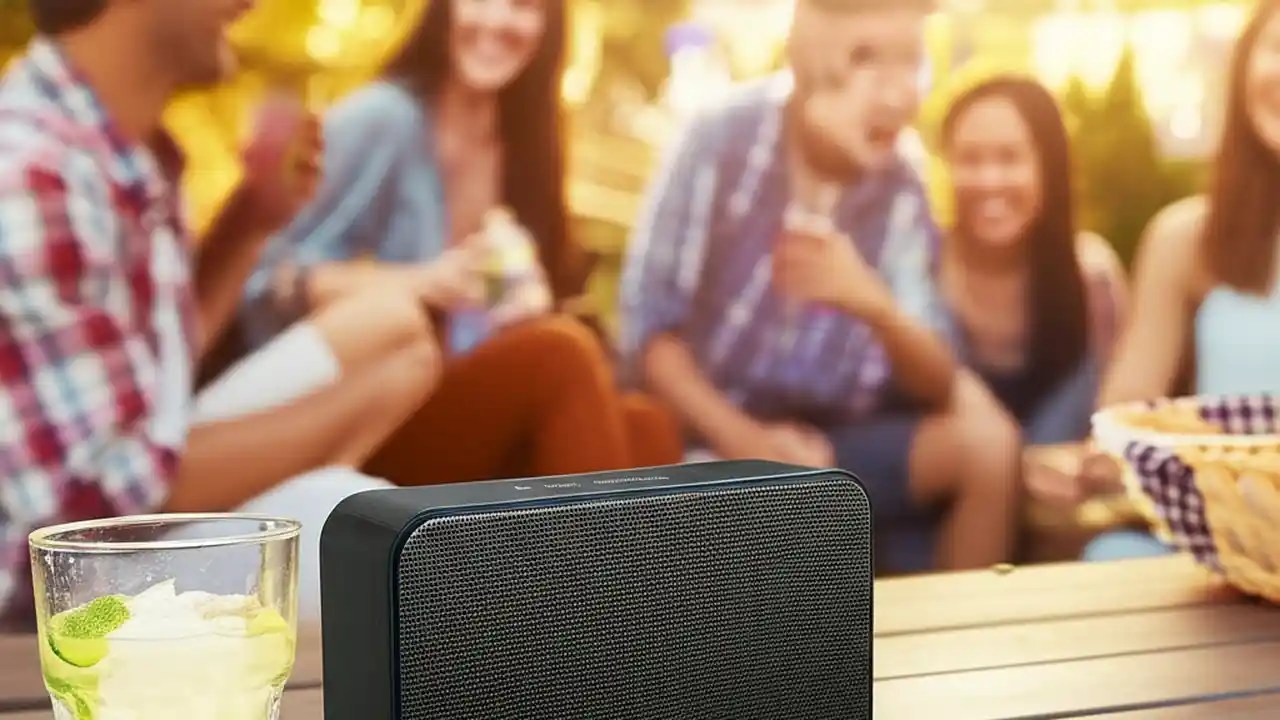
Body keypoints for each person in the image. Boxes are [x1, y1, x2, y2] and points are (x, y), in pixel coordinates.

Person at [0, 0, 445, 626]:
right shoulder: (33, 175)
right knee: (374, 540)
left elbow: (155, 385)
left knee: (396, 335)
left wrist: (252, 221)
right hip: (64, 591)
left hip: (127, 495)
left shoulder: (130, 152)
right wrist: (335, 421)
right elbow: (93, 518)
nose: (248, 4)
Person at [619, 0, 1022, 572]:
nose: (898, 92)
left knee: (986, 445)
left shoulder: (902, 182)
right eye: (865, 60)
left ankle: (958, 651)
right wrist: (751, 444)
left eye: (911, 62)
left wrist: (871, 302)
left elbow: (938, 378)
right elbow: (648, 332)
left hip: (836, 447)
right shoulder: (718, 142)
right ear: (808, 65)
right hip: (712, 441)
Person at [239, 0, 683, 484]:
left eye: (522, 5)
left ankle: (603, 560)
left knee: (647, 425)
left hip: (460, 403)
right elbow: (263, 279)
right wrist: (423, 282)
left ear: (549, 25)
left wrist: (526, 309)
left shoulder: (528, 147)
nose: (497, 19)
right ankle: (605, 561)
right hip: (361, 416)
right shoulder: (382, 120)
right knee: (559, 355)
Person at [1083, 0, 1280, 561]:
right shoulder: (1185, 238)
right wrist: (1100, 460)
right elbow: (1120, 428)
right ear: (1244, 67)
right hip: (1229, 554)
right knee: (1109, 558)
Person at [938, 78, 1127, 446]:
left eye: (1010, 158)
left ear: (1048, 167)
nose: (989, 181)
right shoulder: (919, 273)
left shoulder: (1093, 277)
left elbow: (1123, 414)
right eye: (969, 159)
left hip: (1068, 494)